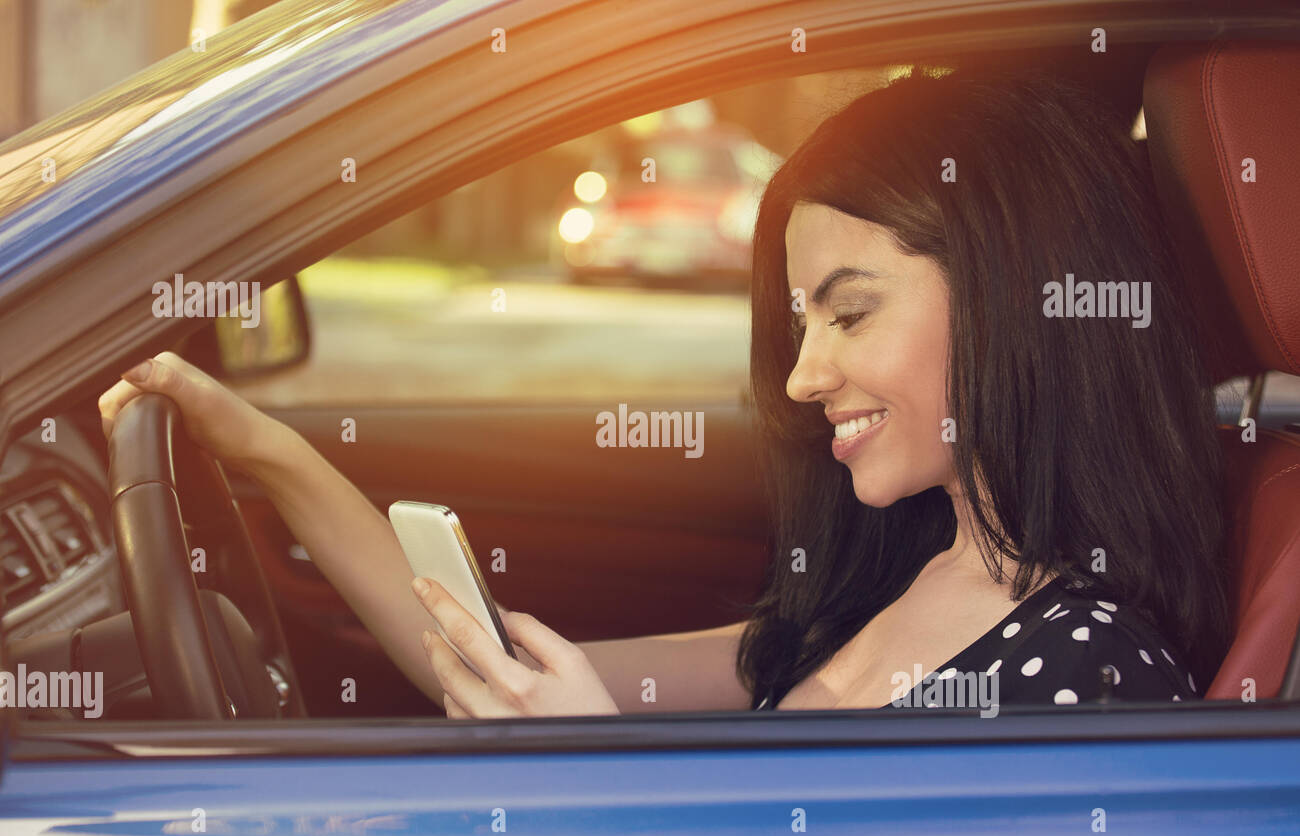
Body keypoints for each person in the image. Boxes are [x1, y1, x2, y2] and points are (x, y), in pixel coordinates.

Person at [98, 69, 1230, 719]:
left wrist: (596, 785)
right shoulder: (891, 583)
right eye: (798, 324)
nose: (800, 375)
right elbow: (476, 652)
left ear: (1008, 298)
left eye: (849, 312)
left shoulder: (1086, 670)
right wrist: (255, 444)